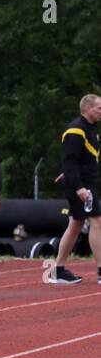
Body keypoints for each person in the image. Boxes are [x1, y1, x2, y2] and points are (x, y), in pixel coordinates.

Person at [47, 93, 101, 284]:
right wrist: (78, 186)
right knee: (97, 221)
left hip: (86, 183)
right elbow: (69, 159)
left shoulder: (92, 129)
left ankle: (58, 270)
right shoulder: (76, 129)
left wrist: (70, 174)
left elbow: (81, 158)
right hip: (82, 186)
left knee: (76, 224)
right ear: (87, 108)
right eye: (99, 107)